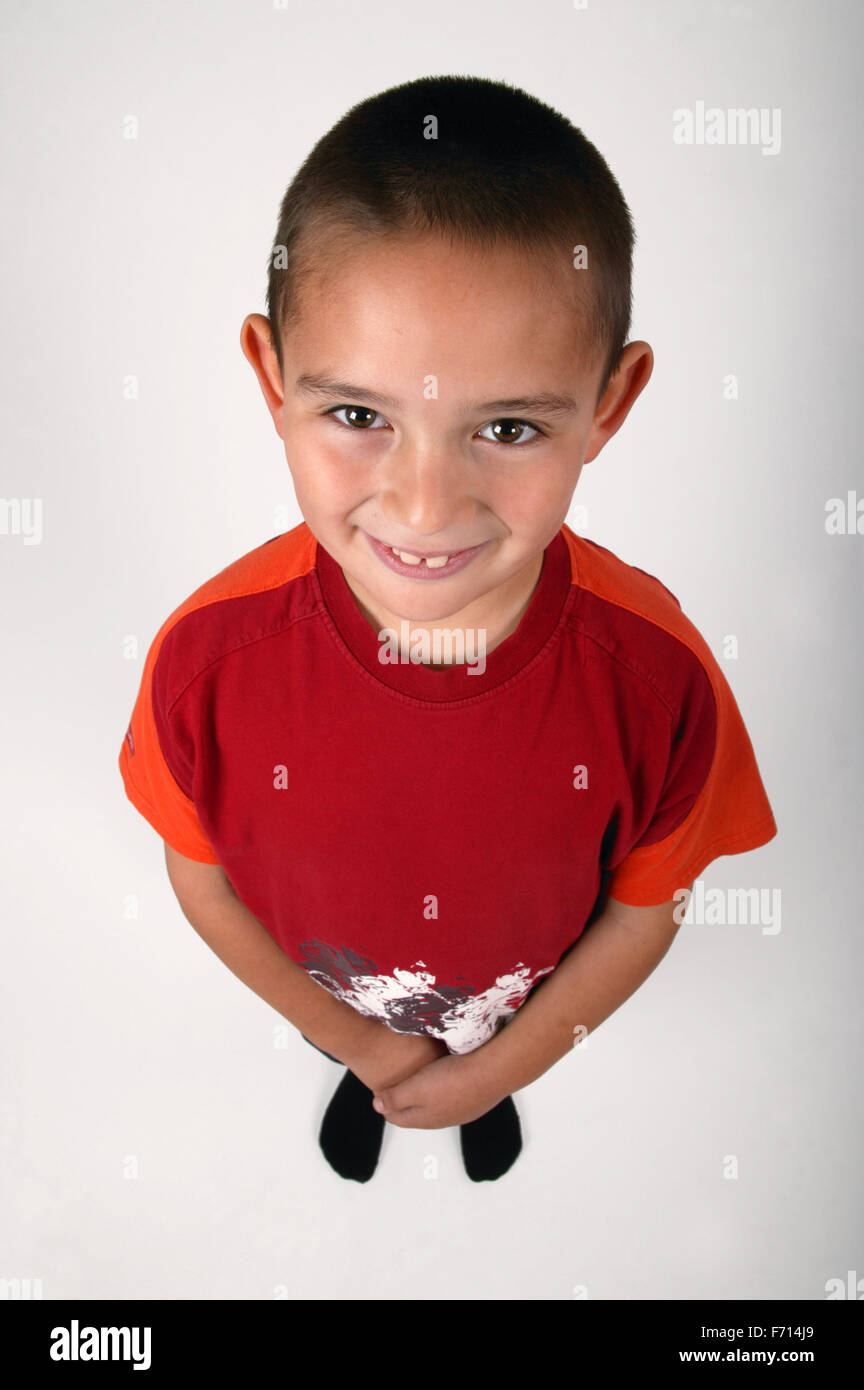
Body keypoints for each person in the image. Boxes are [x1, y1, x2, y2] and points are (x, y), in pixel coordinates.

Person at [118, 74, 777, 1184]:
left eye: (509, 425)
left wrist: (504, 1066)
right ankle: (375, 1085)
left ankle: (477, 1098)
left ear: (608, 405)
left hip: (519, 1024)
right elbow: (204, 885)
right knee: (391, 1068)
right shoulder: (205, 661)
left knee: (468, 1078)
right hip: (351, 1011)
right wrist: (366, 1042)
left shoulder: (660, 679)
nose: (426, 509)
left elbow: (644, 911)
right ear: (273, 379)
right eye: (360, 416)